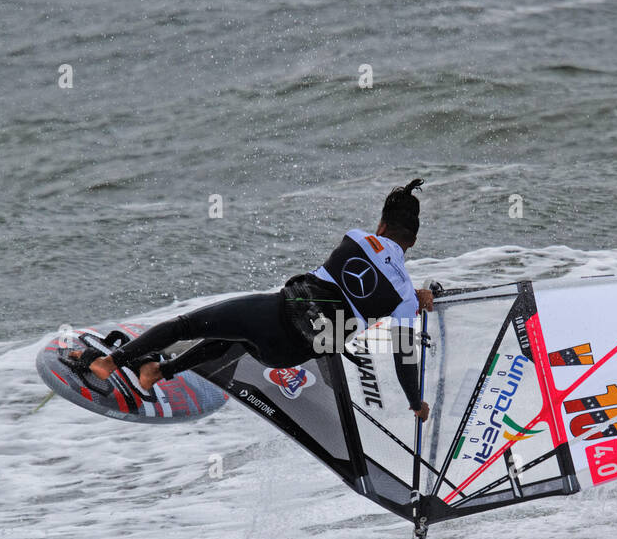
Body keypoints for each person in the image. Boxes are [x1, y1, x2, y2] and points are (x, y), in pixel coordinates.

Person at [74, 178, 436, 420]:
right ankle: (157, 372)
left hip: (276, 317)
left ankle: (111, 362)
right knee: (237, 339)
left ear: (382, 226)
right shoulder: (404, 296)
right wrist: (414, 402)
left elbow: (370, 263)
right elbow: (404, 357)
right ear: (413, 243)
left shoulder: (357, 237)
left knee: (190, 325)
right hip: (287, 355)